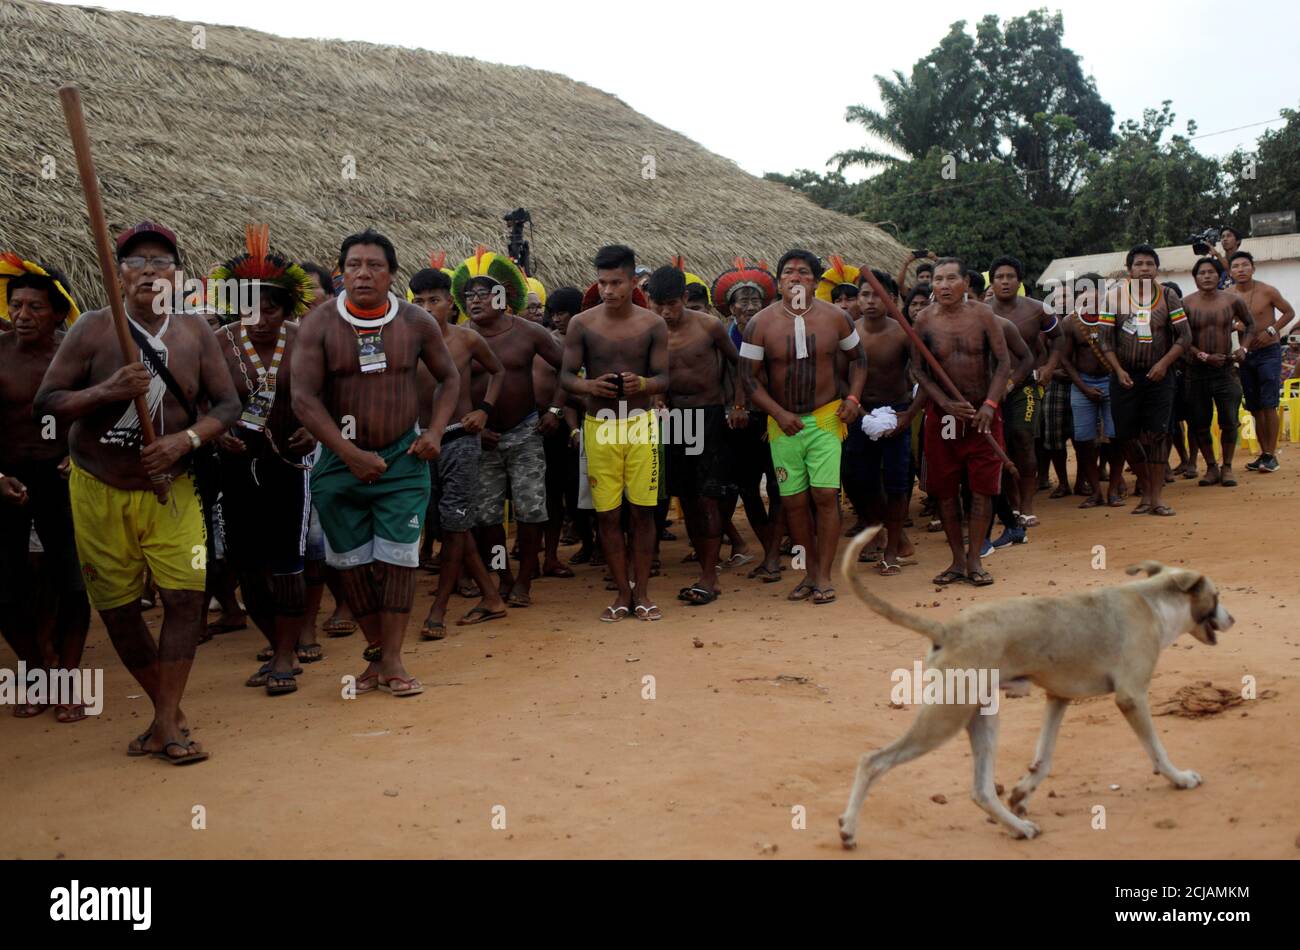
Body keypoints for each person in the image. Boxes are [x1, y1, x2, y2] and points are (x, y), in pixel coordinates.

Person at [35, 220, 242, 762]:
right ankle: (166, 715)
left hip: (171, 490)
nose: (149, 272)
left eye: (161, 262)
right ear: (118, 273)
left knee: (184, 598)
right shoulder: (93, 331)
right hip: (99, 488)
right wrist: (106, 390)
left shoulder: (195, 333)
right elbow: (48, 403)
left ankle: (167, 724)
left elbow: (226, 407)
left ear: (178, 274)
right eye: (136, 262)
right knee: (120, 608)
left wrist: (185, 441)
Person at [291, 229, 460, 698]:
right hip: (338, 461)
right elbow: (303, 399)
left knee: (400, 560)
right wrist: (348, 454)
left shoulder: (416, 323)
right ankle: (378, 654)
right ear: (341, 271)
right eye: (353, 266)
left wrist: (435, 432)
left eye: (374, 265)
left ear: (392, 273)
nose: (363, 274)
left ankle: (393, 660)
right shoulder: (319, 325)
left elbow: (450, 379)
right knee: (350, 564)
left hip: (403, 459)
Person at [209, 227, 319, 695]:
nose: (259, 318)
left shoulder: (306, 340)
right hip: (236, 467)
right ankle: (280, 647)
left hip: (289, 467)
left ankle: (282, 657)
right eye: (248, 307)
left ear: (287, 308)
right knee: (247, 564)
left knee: (288, 562)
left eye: (270, 308)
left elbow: (332, 395)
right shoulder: (218, 343)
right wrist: (216, 438)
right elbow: (199, 402)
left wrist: (315, 429)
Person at [739, 248, 866, 604]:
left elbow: (859, 360)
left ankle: (824, 577)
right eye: (789, 273)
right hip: (782, 425)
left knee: (826, 496)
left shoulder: (836, 318)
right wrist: (778, 413)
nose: (796, 278)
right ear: (779, 281)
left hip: (826, 418)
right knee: (793, 502)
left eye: (805, 273)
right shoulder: (759, 324)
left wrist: (853, 399)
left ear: (814, 281)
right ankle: (808, 574)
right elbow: (748, 380)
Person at [0, 256, 91, 720]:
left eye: (35, 306)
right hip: (7, 480)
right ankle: (35, 671)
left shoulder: (73, 357)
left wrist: (77, 457)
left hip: (64, 478)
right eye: (16, 305)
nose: (22, 315)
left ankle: (69, 680)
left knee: (72, 582)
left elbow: (102, 414)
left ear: (58, 313)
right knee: (7, 586)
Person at [559, 245, 669, 622]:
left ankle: (643, 593)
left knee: (643, 512)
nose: (609, 290)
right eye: (603, 282)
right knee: (607, 514)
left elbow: (664, 378)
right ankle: (622, 593)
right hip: (599, 426)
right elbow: (566, 376)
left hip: (640, 424)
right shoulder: (582, 324)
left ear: (633, 280)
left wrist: (642, 383)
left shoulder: (652, 324)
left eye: (617, 282)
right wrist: (589, 388)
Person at [452, 249, 563, 608]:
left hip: (526, 433)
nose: (475, 300)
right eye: (469, 294)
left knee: (531, 510)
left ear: (503, 296)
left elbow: (569, 367)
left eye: (483, 293)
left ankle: (525, 581)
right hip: (480, 441)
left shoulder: (529, 333)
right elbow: (444, 388)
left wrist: (557, 410)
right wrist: (471, 423)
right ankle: (503, 575)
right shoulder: (459, 338)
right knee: (486, 517)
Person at [408, 265, 507, 636]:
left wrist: (485, 410)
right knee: (450, 522)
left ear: (451, 304)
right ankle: (491, 597)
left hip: (459, 438)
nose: (427, 307)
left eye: (434, 300)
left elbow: (497, 372)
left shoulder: (467, 340)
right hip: (419, 442)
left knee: (454, 523)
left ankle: (439, 608)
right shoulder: (405, 341)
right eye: (419, 301)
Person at [909, 258, 1012, 587]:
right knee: (945, 490)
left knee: (982, 489)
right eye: (938, 280)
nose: (943, 285)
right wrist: (944, 403)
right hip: (943, 419)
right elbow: (917, 371)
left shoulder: (983, 315)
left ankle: (975, 560)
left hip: (983, 414)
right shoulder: (923, 320)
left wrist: (991, 404)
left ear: (966, 283)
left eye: (951, 278)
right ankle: (956, 561)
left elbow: (1003, 362)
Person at [646, 265, 739, 605]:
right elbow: (653, 373)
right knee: (684, 495)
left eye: (671, 303)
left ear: (685, 298)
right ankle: (703, 567)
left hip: (710, 414)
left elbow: (736, 363)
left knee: (708, 497)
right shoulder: (652, 331)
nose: (666, 312)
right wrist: (657, 400)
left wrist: (736, 404)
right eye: (659, 305)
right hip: (674, 418)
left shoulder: (709, 325)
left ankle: (710, 576)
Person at [1097, 244, 1192, 516]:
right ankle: (1147, 488)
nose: (1144, 269)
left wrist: (1164, 364)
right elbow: (1105, 340)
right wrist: (1118, 370)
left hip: (1159, 376)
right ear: (1130, 269)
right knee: (1125, 435)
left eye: (1150, 264)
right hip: (1124, 376)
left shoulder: (1168, 296)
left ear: (1156, 268)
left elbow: (1185, 337)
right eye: (1139, 264)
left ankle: (1156, 497)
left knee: (1159, 434)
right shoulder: (1114, 297)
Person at [711, 259, 783, 582]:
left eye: (756, 300)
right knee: (747, 488)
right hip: (738, 424)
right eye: (743, 300)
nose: (750, 306)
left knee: (780, 484)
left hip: (773, 419)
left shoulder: (774, 335)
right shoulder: (724, 339)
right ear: (730, 308)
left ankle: (773, 554)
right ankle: (769, 547)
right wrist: (734, 408)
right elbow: (725, 379)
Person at [844, 270, 915, 575]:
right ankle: (880, 529)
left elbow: (925, 378)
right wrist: (859, 412)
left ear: (892, 300)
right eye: (865, 295)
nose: (871, 301)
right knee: (860, 480)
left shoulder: (903, 333)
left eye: (877, 295)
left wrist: (908, 416)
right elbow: (838, 377)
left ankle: (891, 551)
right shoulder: (849, 334)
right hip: (859, 413)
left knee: (897, 483)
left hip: (897, 412)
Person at [987, 256, 1061, 528]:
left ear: (1019, 281)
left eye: (1010, 277)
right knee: (1000, 445)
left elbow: (1059, 339)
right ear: (992, 282)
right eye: (999, 277)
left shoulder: (1038, 309)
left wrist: (1050, 367)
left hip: (1025, 386)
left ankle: (1028, 505)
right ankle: (1012, 504)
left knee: (1023, 438)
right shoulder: (980, 312)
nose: (1005, 281)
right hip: (991, 391)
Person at [1054, 273, 1124, 507]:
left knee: (1116, 437)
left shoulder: (1116, 317)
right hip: (1082, 382)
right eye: (1085, 291)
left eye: (1097, 292)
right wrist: (1083, 387)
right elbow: (1065, 360)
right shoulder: (1070, 322)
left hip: (1112, 380)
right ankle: (1095, 491)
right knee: (1083, 440)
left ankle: (1113, 489)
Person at [1183, 257, 1253, 488]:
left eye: (1211, 272)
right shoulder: (1186, 304)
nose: (1206, 276)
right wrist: (1203, 355)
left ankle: (1228, 466)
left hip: (1226, 370)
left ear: (1220, 275)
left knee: (1230, 421)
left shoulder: (1233, 300)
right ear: (1195, 278)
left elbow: (1250, 325)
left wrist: (1243, 348)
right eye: (1201, 273)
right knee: (1199, 423)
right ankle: (1211, 466)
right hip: (1196, 371)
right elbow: (1180, 339)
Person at [534, 286, 589, 570]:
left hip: (578, 423)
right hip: (543, 424)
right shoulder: (546, 341)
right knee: (547, 492)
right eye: (553, 313)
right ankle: (546, 555)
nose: (557, 319)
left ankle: (590, 545)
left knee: (576, 489)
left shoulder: (588, 342)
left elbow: (569, 386)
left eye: (563, 313)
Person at [1230, 250, 1295, 472]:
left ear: (1253, 268)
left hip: (1269, 351)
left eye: (1245, 265)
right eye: (1236, 266)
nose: (1241, 269)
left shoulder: (1267, 290)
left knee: (1269, 403)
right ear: (1230, 271)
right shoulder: (1228, 295)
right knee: (1255, 407)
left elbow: (1289, 312)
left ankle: (1271, 453)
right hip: (1245, 354)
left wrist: (1272, 329)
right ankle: (1263, 453)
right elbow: (1222, 320)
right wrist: (1234, 326)